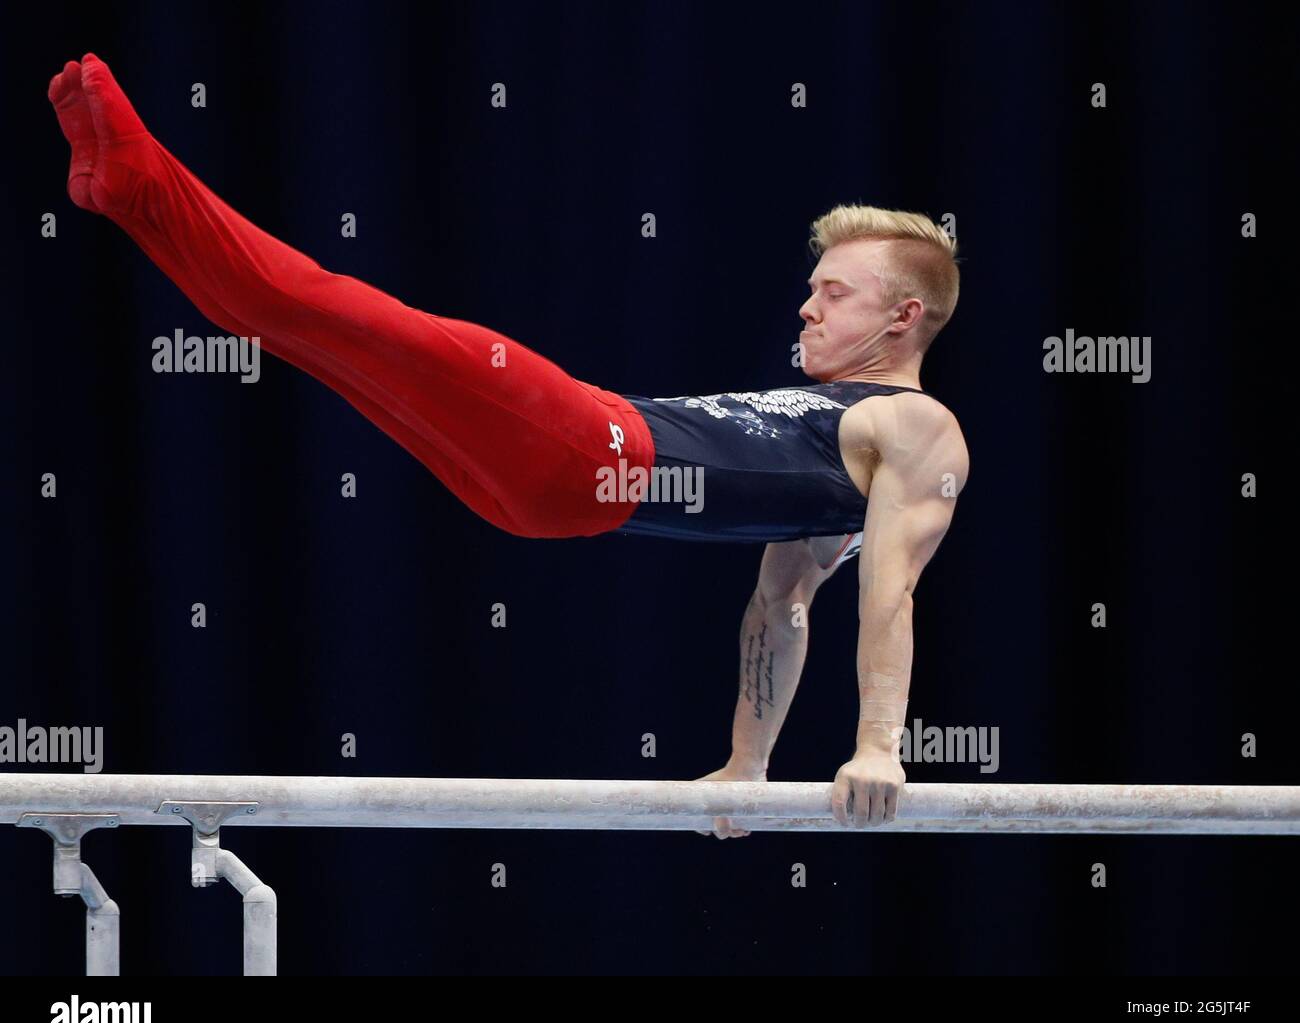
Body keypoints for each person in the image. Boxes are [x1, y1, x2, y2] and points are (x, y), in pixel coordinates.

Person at [48, 54, 969, 838]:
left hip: (582, 443)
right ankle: (129, 194)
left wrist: (878, 746)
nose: (806, 307)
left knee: (330, 308)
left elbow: (888, 593)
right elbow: (779, 604)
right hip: (550, 487)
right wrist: (747, 767)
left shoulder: (917, 428)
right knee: (307, 333)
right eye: (812, 287)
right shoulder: (836, 424)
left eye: (834, 293)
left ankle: (142, 174)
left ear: (904, 316)